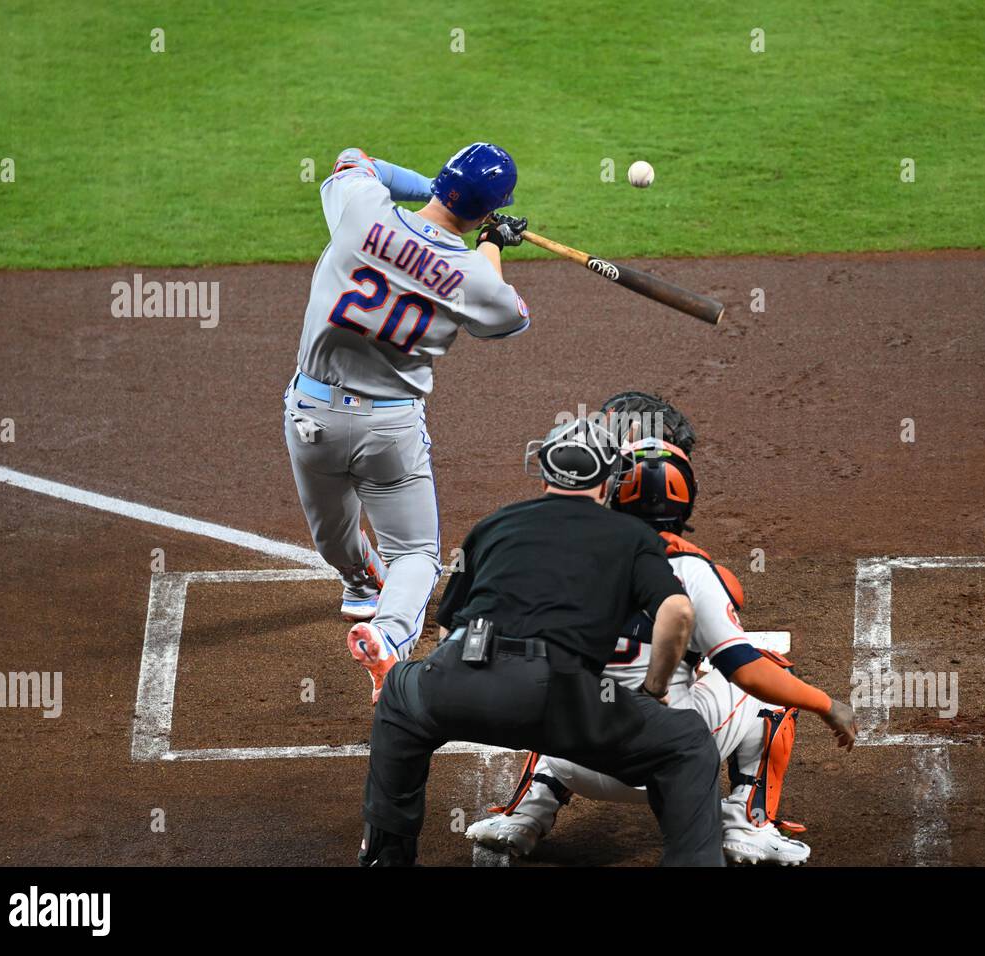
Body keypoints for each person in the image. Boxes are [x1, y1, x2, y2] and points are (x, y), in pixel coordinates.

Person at [467, 395, 857, 865]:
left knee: (556, 678)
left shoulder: (560, 555)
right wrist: (827, 704)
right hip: (669, 758)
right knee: (768, 673)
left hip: (571, 757)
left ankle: (525, 813)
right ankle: (750, 823)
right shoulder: (697, 572)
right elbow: (745, 671)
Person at [358, 418, 726, 866]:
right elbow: (678, 612)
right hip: (555, 695)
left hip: (458, 673)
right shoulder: (630, 535)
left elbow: (446, 625)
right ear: (610, 480)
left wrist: (448, 688)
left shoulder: (494, 523)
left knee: (398, 696)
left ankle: (385, 858)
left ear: (545, 468)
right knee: (687, 742)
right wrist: (652, 691)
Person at [283, 142, 531, 701]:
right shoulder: (474, 274)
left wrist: (436, 192)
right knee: (415, 553)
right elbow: (511, 316)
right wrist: (490, 243)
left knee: (335, 534)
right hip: (387, 431)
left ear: (443, 182)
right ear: (487, 210)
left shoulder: (362, 207)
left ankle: (357, 580)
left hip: (311, 418)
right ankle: (388, 633)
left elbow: (352, 157)